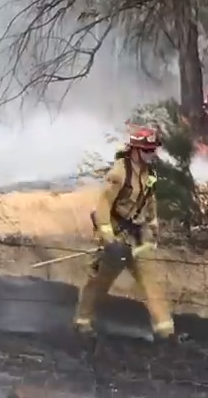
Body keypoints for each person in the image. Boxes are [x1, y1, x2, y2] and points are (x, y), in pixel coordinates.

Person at [73, 126, 175, 340]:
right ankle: (82, 323)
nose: (151, 154)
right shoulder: (119, 173)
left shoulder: (150, 173)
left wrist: (152, 229)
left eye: (153, 149)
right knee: (99, 282)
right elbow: (103, 207)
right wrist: (109, 239)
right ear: (135, 149)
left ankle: (165, 331)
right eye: (147, 150)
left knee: (151, 282)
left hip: (139, 237)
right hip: (117, 237)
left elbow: (150, 201)